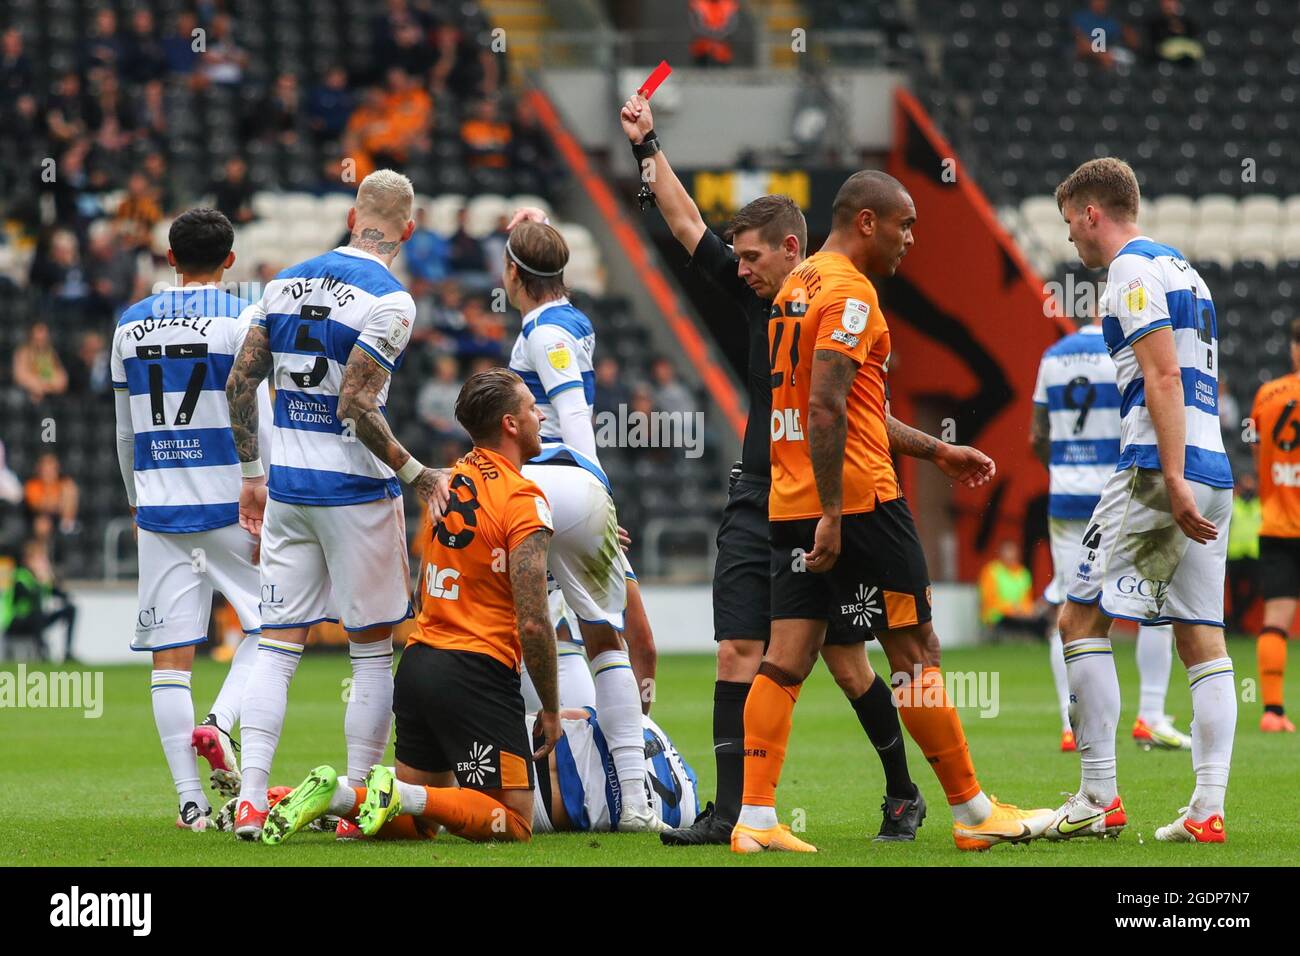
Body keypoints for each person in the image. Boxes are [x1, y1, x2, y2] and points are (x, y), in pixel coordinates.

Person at [621, 95, 1016, 847]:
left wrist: (933, 450)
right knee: (759, 649)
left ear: (791, 247)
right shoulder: (793, 296)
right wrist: (649, 149)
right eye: (735, 258)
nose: (739, 269)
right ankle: (739, 813)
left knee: (839, 657)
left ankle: (896, 792)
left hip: (811, 494)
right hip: (776, 496)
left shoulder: (806, 298)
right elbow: (681, 223)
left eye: (750, 256)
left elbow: (852, 414)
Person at [726, 168, 1058, 854]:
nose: (912, 238)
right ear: (868, 221)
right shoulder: (851, 294)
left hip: (790, 500)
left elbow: (854, 409)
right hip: (858, 502)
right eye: (906, 224)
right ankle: (972, 812)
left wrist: (937, 450)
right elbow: (825, 407)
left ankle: (754, 820)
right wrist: (835, 511)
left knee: (786, 657)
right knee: (915, 653)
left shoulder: (798, 285)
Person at [224, 169, 449, 840]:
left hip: (288, 487)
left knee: (276, 646)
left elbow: (240, 383)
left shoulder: (283, 282)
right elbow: (356, 402)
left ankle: (252, 799)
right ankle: (356, 809)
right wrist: (416, 473)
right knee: (372, 653)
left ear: (355, 215)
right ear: (407, 229)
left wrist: (250, 474)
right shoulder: (392, 300)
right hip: (356, 493)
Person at [259, 369, 561, 846]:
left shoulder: (448, 481)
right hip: (476, 671)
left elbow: (428, 584)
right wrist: (551, 706)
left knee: (421, 825)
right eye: (530, 408)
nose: (539, 414)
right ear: (509, 423)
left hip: (420, 664)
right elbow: (534, 622)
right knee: (515, 822)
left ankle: (338, 797)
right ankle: (396, 795)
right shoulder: (524, 499)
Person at [1049, 157, 1236, 844]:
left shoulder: (1128, 270)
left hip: (1160, 471)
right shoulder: (1185, 269)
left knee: (1078, 621)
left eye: (1070, 218)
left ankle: (1098, 796)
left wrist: (1172, 475)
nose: (1069, 234)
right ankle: (1206, 809)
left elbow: (1162, 376)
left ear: (1092, 211)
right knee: (1201, 637)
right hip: (1215, 469)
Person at [495, 215, 666, 832]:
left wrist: (601, 495)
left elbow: (572, 416)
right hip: (573, 493)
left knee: (506, 626)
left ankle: (498, 783)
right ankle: (637, 803)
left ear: (513, 272)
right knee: (604, 639)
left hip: (544, 484)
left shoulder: (545, 331)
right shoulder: (570, 318)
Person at [110, 208, 273, 829]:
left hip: (160, 506)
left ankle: (191, 804)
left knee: (169, 659)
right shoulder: (245, 318)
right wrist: (264, 486)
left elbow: (125, 432)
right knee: (273, 626)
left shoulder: (128, 326)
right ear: (230, 261)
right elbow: (259, 411)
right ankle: (219, 723)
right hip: (235, 498)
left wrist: (134, 499)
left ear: (169, 260)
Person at [1031, 310, 1188, 753]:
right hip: (1118, 494)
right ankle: (1151, 717)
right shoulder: (1122, 350)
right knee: (1154, 597)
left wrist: (1063, 468)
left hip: (1065, 496)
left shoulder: (1051, 357)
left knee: (1067, 602)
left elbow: (1036, 436)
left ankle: (1071, 721)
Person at [1247, 328, 1300, 733]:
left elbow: (1253, 443)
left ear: (1293, 349)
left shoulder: (1265, 395)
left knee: (1276, 619)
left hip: (1278, 524)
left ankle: (1273, 712)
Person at [977, 540, 1041, 637]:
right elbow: (989, 600)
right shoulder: (991, 571)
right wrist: (1011, 609)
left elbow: (1027, 600)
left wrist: (1025, 611)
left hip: (1020, 615)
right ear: (1001, 554)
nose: (1011, 556)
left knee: (1041, 621)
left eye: (1013, 553)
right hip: (998, 616)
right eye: (1008, 552)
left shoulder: (1023, 573)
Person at [1225, 473, 1261, 634]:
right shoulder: (1232, 504)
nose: (1249, 488)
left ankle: (1234, 619)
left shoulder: (1260, 505)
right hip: (1235, 554)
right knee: (1233, 593)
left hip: (1254, 555)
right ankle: (1236, 624)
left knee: (1256, 589)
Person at [12, 322, 69, 405]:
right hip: (28, 395)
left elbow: (62, 378)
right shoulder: (22, 352)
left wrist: (47, 386)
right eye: (38, 337)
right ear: (31, 336)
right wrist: (38, 385)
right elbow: (20, 376)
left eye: (44, 336)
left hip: (50, 395)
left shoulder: (51, 353)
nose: (41, 339)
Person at [24, 452, 79, 534]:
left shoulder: (64, 484)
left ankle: (67, 529)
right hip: (40, 518)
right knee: (42, 525)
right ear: (39, 469)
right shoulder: (32, 485)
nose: (49, 471)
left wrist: (59, 504)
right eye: (45, 468)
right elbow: (39, 506)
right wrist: (59, 503)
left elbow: (70, 506)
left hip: (61, 519)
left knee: (69, 490)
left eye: (52, 468)